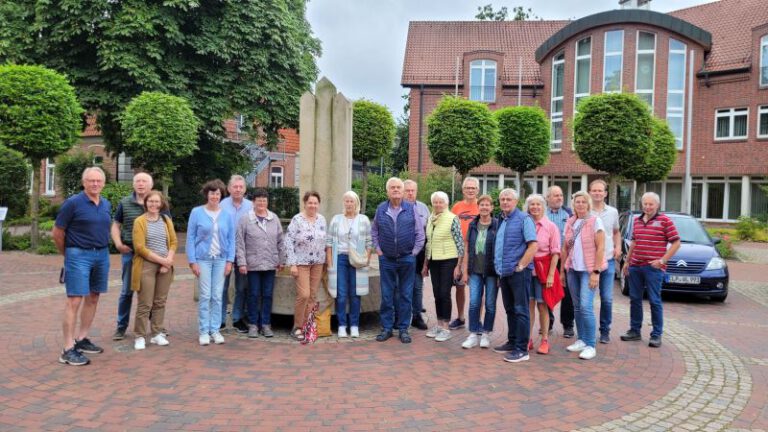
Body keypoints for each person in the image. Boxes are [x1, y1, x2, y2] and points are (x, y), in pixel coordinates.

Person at [53, 167, 111, 366]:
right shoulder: (73, 203)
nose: (95, 184)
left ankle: (81, 339)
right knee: (74, 300)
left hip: (102, 254)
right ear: (84, 182)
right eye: (91, 180)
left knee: (93, 296)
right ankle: (67, 349)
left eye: (98, 181)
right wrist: (68, 253)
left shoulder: (105, 204)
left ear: (103, 183)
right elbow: (58, 232)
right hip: (78, 254)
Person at [621, 192, 681, 348]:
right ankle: (634, 331)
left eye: (651, 204)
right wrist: (627, 261)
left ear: (657, 205)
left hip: (653, 268)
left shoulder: (665, 221)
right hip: (635, 266)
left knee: (654, 300)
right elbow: (634, 242)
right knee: (635, 299)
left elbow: (676, 243)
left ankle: (656, 335)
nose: (647, 207)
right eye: (645, 204)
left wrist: (663, 260)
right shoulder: (637, 220)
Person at [371, 177, 425, 344]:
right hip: (386, 259)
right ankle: (387, 328)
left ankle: (403, 329)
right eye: (392, 187)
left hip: (407, 259)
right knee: (387, 295)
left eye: (398, 188)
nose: (395, 190)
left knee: (406, 295)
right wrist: (378, 250)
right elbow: (374, 231)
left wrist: (414, 252)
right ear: (387, 191)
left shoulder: (410, 209)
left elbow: (419, 233)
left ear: (402, 192)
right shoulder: (381, 208)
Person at [186, 179, 236, 346]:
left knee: (217, 295)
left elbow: (231, 240)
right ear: (207, 194)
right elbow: (190, 237)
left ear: (221, 195)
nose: (214, 196)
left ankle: (215, 330)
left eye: (217, 193)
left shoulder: (227, 215)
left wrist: (230, 261)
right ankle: (204, 331)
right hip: (203, 260)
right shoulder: (197, 212)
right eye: (212, 193)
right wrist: (192, 261)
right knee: (205, 295)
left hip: (221, 259)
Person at [492, 188, 538, 363]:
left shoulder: (524, 219)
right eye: (502, 199)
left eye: (508, 199)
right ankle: (512, 342)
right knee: (510, 309)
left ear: (516, 201)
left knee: (521, 310)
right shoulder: (502, 220)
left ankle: (521, 349)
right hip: (504, 272)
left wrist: (520, 266)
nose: (504, 202)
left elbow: (533, 245)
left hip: (518, 273)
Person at [560, 191, 607, 360]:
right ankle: (580, 339)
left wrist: (596, 271)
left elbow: (600, 247)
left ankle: (590, 345)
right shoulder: (571, 222)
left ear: (588, 204)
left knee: (586, 307)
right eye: (577, 202)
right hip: (572, 269)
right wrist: (562, 271)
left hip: (588, 271)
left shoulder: (595, 221)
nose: (580, 204)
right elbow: (565, 247)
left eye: (583, 202)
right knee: (577, 306)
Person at [235, 188, 285, 338]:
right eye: (259, 200)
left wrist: (281, 260)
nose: (262, 203)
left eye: (264, 200)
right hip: (253, 264)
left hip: (270, 263)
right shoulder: (245, 219)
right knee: (253, 294)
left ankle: (266, 324)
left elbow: (280, 241)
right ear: (254, 202)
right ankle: (253, 324)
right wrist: (242, 263)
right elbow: (240, 242)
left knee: (268, 295)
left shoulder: (274, 218)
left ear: (267, 202)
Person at [131, 191, 177, 350]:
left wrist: (168, 262)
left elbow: (173, 242)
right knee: (145, 303)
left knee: (160, 302)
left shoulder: (166, 220)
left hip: (165, 266)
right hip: (146, 265)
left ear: (161, 203)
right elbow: (139, 248)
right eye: (150, 201)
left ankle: (157, 333)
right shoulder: (139, 221)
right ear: (146, 203)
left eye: (156, 201)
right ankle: (140, 336)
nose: (153, 204)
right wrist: (162, 260)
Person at [111, 172, 154, 340]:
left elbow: (166, 226)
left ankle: (156, 326)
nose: (141, 184)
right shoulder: (125, 203)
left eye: (144, 181)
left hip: (151, 254)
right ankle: (121, 327)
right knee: (127, 291)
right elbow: (116, 225)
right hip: (130, 252)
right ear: (133, 184)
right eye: (137, 181)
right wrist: (118, 243)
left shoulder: (156, 201)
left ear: (151, 185)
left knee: (151, 292)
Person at [326, 191, 373, 338]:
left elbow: (369, 243)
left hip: (357, 260)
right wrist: (330, 263)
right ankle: (341, 325)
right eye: (346, 201)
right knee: (340, 294)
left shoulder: (363, 219)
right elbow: (329, 243)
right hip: (340, 258)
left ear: (356, 203)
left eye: (351, 201)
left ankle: (354, 325)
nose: (348, 204)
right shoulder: (336, 219)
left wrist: (366, 259)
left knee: (355, 294)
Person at [422, 191, 464, 342]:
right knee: (436, 293)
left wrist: (458, 266)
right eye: (435, 202)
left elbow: (460, 243)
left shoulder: (452, 218)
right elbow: (428, 243)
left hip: (448, 260)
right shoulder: (430, 218)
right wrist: (425, 264)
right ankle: (439, 324)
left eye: (441, 202)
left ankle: (446, 327)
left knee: (444, 293)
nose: (438, 205)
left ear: (446, 204)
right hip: (434, 260)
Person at [286, 191, 327, 342]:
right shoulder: (297, 219)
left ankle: (307, 326)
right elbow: (288, 240)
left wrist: (327, 260)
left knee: (312, 296)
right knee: (304, 294)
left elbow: (325, 240)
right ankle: (297, 327)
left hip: (318, 263)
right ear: (305, 203)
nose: (313, 205)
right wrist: (292, 263)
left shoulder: (321, 219)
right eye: (310, 202)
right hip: (301, 263)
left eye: (315, 203)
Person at [460, 194, 499, 349]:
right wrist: (464, 270)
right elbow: (467, 249)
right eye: (481, 204)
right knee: (474, 303)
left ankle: (486, 333)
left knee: (490, 304)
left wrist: (500, 273)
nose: (484, 207)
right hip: (474, 270)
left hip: (491, 271)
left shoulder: (497, 224)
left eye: (487, 205)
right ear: (478, 207)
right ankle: (473, 333)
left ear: (491, 208)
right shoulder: (473, 224)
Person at [526, 194, 561, 355]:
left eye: (538, 204)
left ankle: (545, 339)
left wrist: (551, 275)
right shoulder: (525, 223)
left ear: (543, 206)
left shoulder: (551, 226)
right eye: (532, 204)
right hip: (527, 270)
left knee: (542, 305)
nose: (535, 207)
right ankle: (528, 339)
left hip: (543, 270)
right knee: (528, 306)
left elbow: (555, 252)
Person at [589, 179, 621, 344]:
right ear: (590, 192)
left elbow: (616, 232)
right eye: (594, 190)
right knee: (587, 299)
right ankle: (587, 331)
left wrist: (618, 247)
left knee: (607, 298)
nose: (597, 193)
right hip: (589, 263)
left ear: (605, 193)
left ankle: (605, 331)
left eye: (600, 191)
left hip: (607, 261)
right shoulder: (586, 212)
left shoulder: (613, 212)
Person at [220, 175, 253, 333]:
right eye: (235, 186)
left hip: (243, 252)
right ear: (229, 189)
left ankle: (238, 318)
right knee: (222, 287)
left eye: (241, 187)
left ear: (245, 189)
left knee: (242, 287)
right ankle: (219, 319)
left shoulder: (251, 206)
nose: (238, 189)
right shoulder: (221, 205)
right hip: (224, 251)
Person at [449, 177, 480, 330]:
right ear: (463, 190)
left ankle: (478, 321)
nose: (470, 190)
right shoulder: (456, 207)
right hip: (459, 253)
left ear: (477, 190)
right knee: (459, 286)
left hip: (477, 253)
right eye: (468, 188)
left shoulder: (483, 206)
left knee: (477, 287)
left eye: (473, 188)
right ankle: (460, 317)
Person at [546, 185, 574, 338]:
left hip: (566, 258)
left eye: (561, 195)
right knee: (547, 290)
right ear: (548, 198)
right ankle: (548, 321)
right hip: (548, 258)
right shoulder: (541, 213)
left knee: (568, 292)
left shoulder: (569, 213)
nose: (559, 198)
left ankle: (568, 324)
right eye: (555, 195)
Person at [403, 179, 430, 330]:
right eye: (407, 190)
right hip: (402, 253)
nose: (410, 193)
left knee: (417, 286)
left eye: (413, 190)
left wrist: (426, 260)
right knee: (401, 286)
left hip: (418, 254)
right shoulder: (396, 207)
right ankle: (401, 316)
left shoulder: (423, 208)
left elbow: (428, 232)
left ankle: (417, 316)